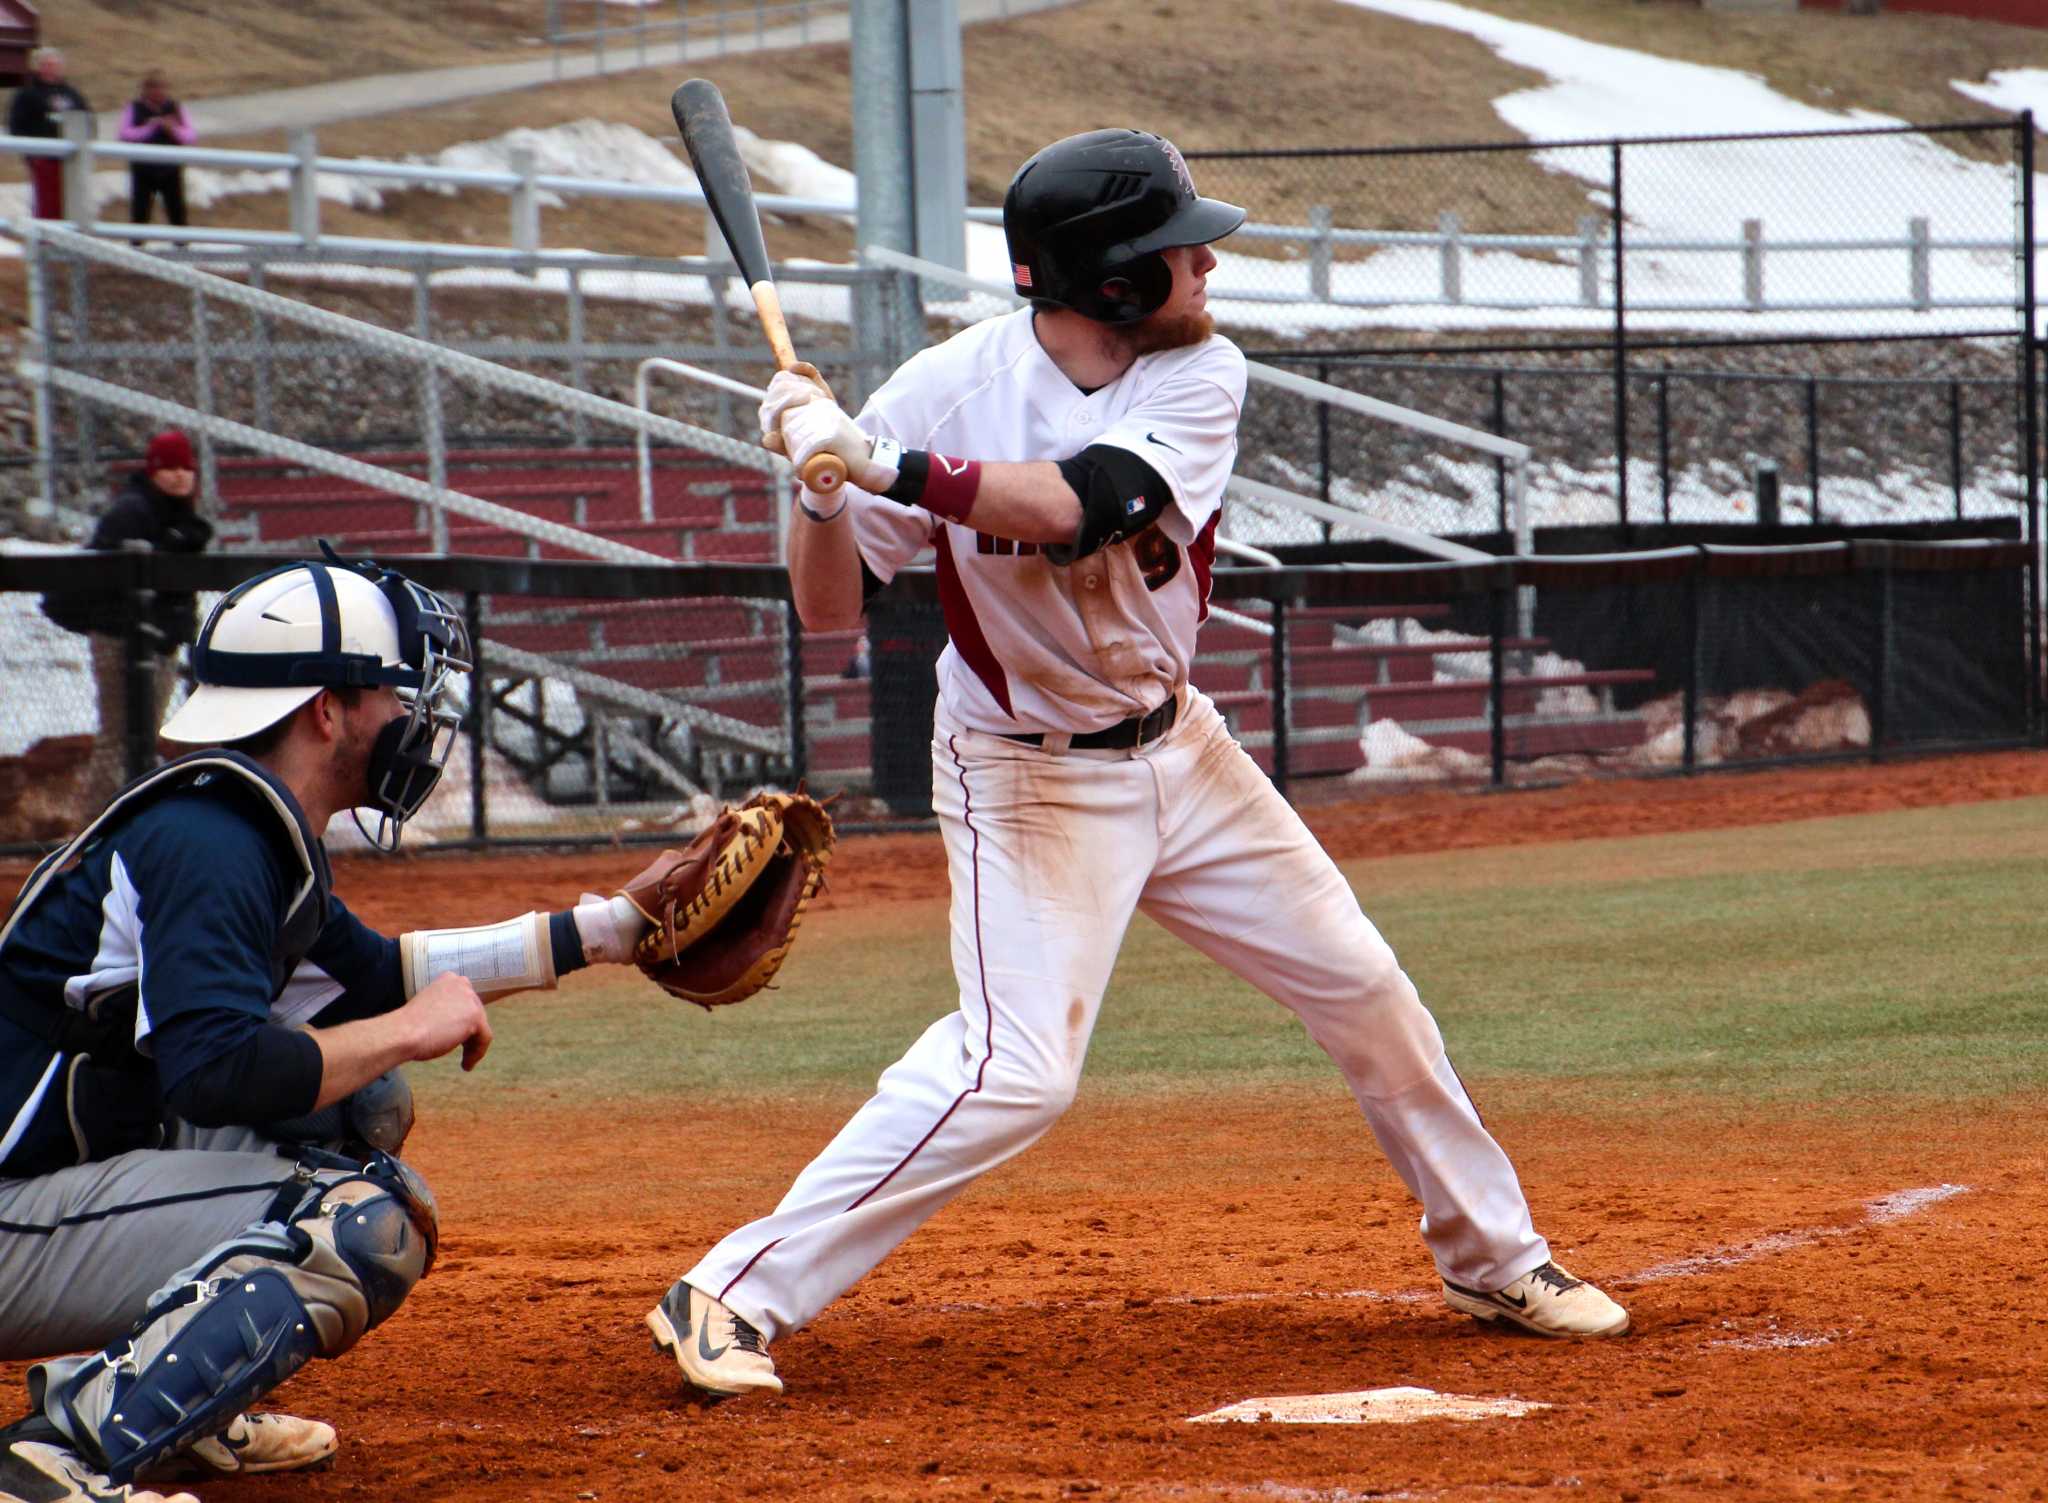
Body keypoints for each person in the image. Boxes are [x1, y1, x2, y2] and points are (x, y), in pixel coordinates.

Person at [646, 128, 1630, 1403]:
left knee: (1365, 991)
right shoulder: (942, 391)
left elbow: (1085, 501)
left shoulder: (1200, 374)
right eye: (1179, 252)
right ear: (1110, 280)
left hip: (1183, 747)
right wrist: (821, 490)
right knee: (1016, 1075)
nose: (1206, 267)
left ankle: (1491, 1258)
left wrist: (877, 460)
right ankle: (731, 1290)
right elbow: (830, 612)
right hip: (1023, 773)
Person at [0, 550, 672, 1503]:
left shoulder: (245, 825)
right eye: (392, 694)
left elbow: (384, 974)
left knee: (360, 1105)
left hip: (48, 1189)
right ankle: (57, 1454)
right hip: (10, 1218)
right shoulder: (212, 842)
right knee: (359, 1219)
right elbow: (218, 1073)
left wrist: (615, 930)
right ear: (326, 709)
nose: (411, 718)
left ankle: (182, 1412)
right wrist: (408, 1030)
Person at [39, 431, 214, 813]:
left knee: (143, 738)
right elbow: (103, 576)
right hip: (120, 639)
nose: (179, 476)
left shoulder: (180, 514)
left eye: (185, 467)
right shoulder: (132, 511)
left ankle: (129, 819)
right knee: (118, 737)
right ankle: (95, 825)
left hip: (160, 640)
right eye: (169, 467)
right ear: (152, 471)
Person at [8, 49, 91, 221]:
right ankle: (46, 241)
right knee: (46, 201)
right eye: (48, 65)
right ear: (39, 67)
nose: (52, 69)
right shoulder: (28, 94)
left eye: (56, 65)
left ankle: (69, 240)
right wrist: (31, 152)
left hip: (70, 160)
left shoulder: (71, 94)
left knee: (70, 202)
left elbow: (87, 119)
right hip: (42, 158)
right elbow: (16, 125)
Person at [118, 73, 195, 237]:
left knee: (177, 212)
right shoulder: (134, 108)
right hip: (142, 168)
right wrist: (150, 128)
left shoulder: (176, 108)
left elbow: (190, 136)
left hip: (171, 169)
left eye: (162, 88)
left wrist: (172, 129)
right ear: (145, 90)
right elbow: (125, 134)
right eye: (154, 88)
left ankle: (182, 248)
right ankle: (136, 249)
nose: (158, 92)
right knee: (140, 212)